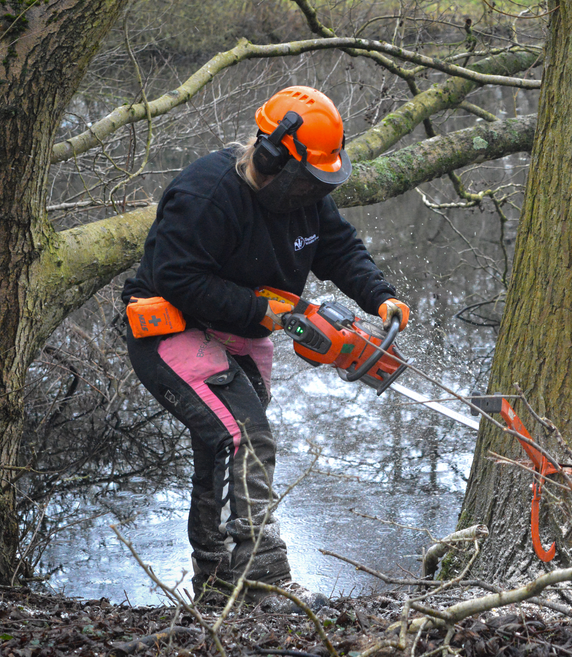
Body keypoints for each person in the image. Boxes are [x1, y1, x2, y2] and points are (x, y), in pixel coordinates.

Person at [121, 85, 410, 611]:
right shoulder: (205, 194)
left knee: (220, 447)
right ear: (274, 154)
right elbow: (177, 277)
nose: (313, 191)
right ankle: (264, 579)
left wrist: (379, 295)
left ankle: (215, 584)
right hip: (171, 329)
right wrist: (262, 311)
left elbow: (339, 247)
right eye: (308, 179)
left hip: (242, 331)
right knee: (246, 437)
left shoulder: (308, 198)